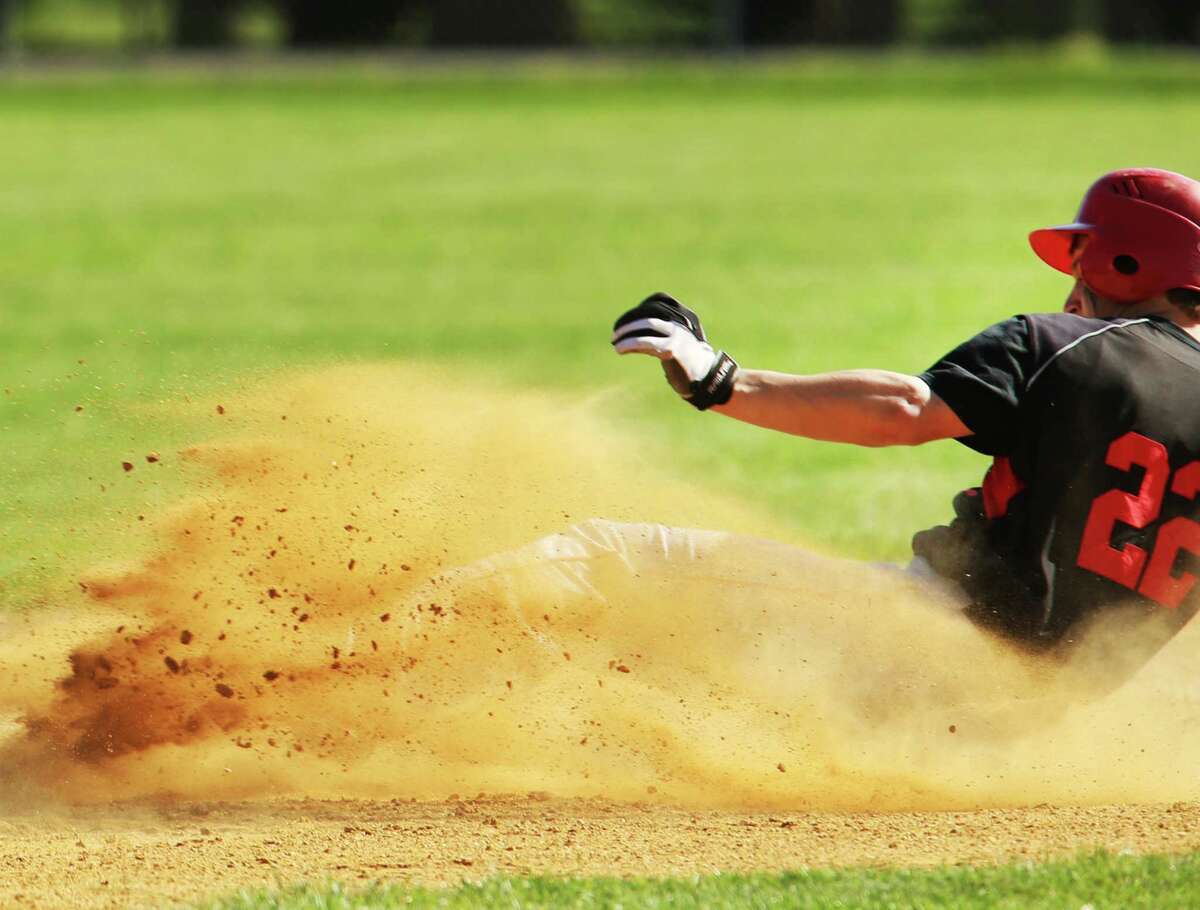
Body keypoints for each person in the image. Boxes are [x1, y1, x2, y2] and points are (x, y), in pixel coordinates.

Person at [613, 167, 1200, 656]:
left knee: (616, 559)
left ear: (1126, 260)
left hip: (922, 639)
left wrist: (722, 382)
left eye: (1081, 260)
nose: (1072, 290)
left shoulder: (1062, 345)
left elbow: (902, 410)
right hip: (1026, 719)